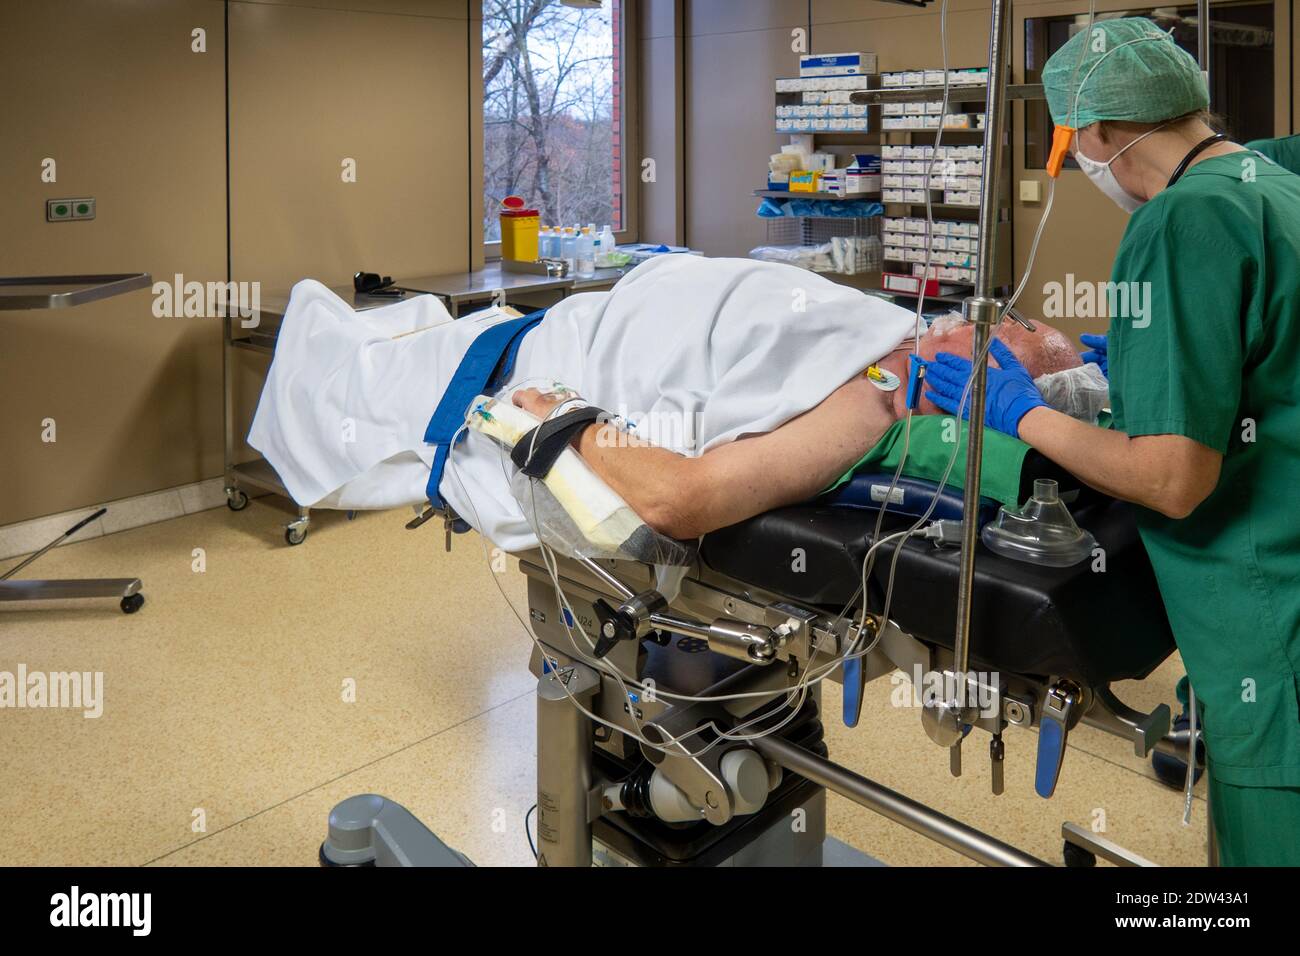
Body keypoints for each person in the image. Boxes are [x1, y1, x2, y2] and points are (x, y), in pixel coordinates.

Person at [922, 17, 1300, 866]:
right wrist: (1141, 364)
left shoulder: (1179, 222)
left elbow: (1171, 478)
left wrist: (1018, 412)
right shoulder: (1269, 182)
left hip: (1278, 637)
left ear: (1093, 131)